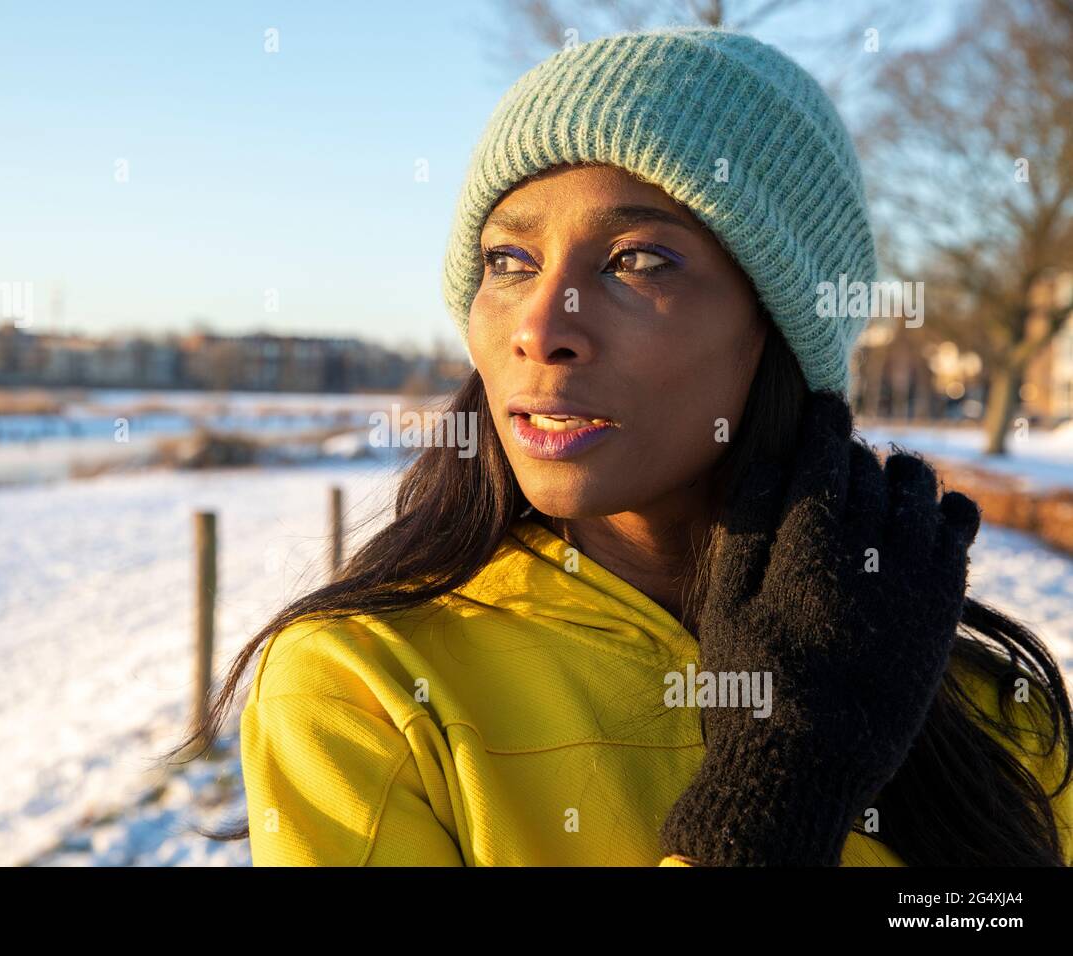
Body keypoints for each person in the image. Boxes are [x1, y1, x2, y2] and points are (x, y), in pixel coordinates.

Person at [176, 27, 1073, 866]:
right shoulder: (364, 687)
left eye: (638, 260)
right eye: (508, 261)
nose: (541, 326)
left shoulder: (974, 701)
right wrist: (777, 793)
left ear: (782, 326)